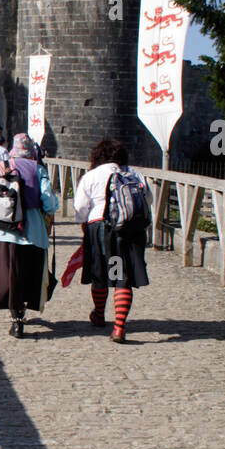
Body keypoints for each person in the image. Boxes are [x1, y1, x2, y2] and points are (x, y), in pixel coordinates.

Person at [0, 132, 59, 336]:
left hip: (6, 230)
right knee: (28, 274)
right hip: (33, 231)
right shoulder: (38, 169)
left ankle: (16, 320)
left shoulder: (2, 167)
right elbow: (48, 202)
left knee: (11, 275)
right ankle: (22, 311)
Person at [73, 138, 151, 343]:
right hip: (128, 229)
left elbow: (80, 208)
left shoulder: (92, 175)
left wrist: (84, 223)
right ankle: (119, 327)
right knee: (120, 275)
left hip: (101, 228)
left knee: (100, 274)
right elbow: (148, 200)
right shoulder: (134, 174)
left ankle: (99, 316)